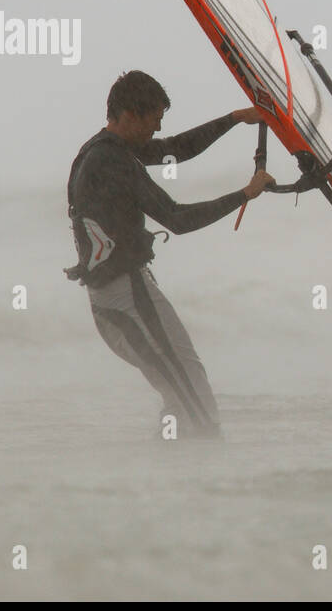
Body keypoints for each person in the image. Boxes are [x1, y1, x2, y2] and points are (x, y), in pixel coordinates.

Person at [64, 70, 274, 438]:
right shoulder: (112, 162)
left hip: (115, 301)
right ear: (129, 115)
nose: (156, 132)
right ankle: (208, 465)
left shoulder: (102, 149)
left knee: (180, 394)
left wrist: (235, 119)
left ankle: (172, 482)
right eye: (153, 122)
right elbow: (177, 218)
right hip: (127, 299)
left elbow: (173, 150)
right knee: (192, 392)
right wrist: (245, 194)